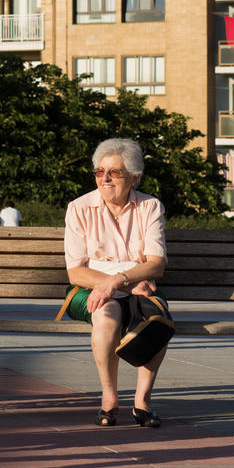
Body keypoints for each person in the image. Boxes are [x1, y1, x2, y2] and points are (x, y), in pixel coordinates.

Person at [62, 138, 168, 429]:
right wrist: (128, 280)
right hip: (89, 291)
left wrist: (115, 281)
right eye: (99, 172)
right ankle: (109, 398)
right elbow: (76, 273)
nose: (105, 179)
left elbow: (157, 263)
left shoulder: (150, 207)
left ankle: (142, 400)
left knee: (156, 319)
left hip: (136, 290)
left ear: (135, 177)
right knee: (107, 316)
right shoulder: (79, 208)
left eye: (114, 172)